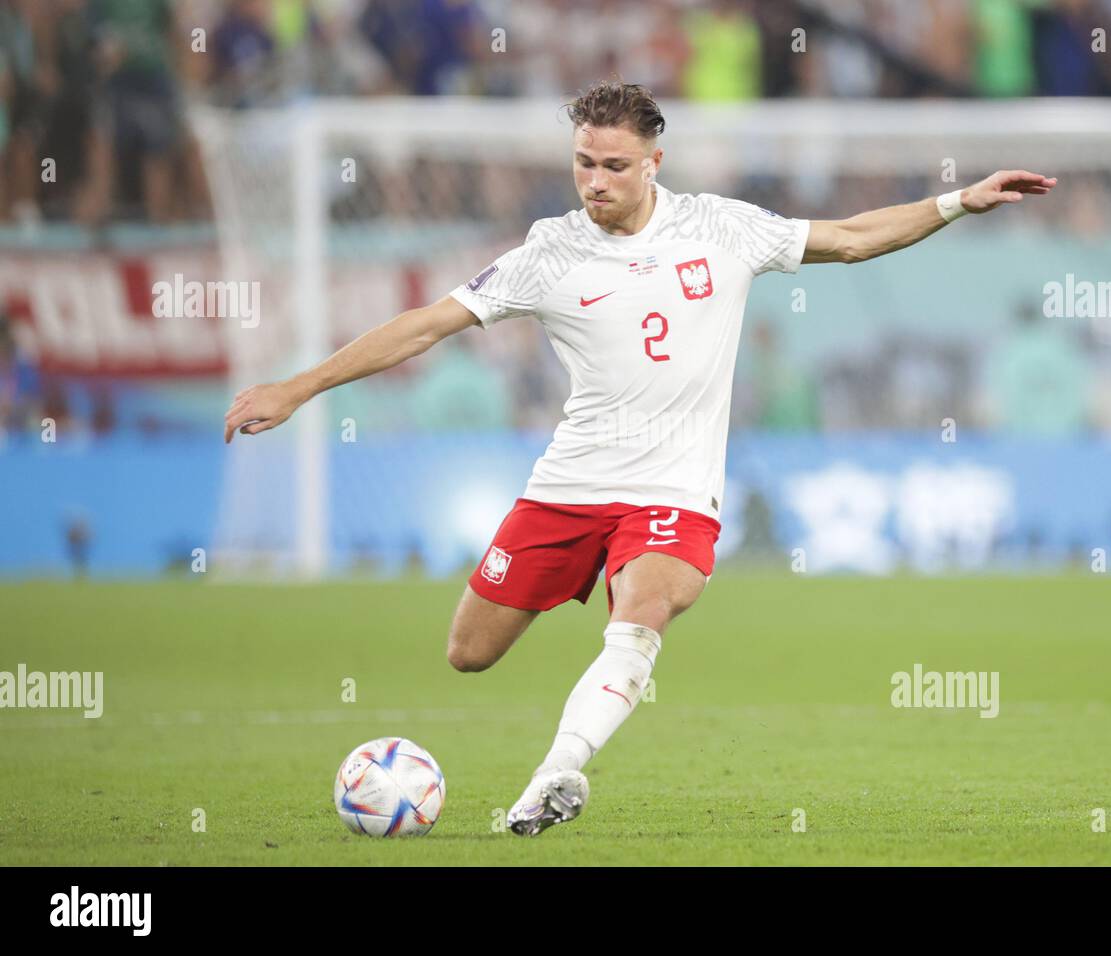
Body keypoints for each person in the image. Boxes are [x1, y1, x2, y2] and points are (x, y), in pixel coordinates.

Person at [223, 79, 1055, 836]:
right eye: (584, 162)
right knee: (469, 651)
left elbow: (850, 238)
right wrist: (299, 388)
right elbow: (426, 325)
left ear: (655, 162)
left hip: (674, 490)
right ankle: (558, 755)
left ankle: (557, 773)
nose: (595, 181)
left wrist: (957, 201)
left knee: (644, 609)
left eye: (615, 166)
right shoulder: (548, 251)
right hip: (570, 482)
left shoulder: (721, 227)